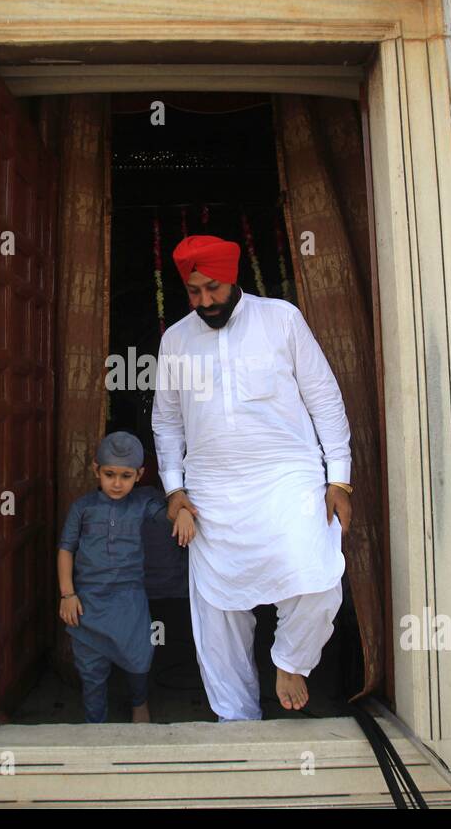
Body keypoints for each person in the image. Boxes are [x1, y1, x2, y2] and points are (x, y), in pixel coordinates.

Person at [151, 234, 354, 721]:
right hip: (212, 490)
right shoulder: (176, 339)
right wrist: (174, 491)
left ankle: (290, 661)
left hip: (288, 478)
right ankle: (236, 720)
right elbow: (167, 421)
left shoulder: (281, 318)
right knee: (217, 614)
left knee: (319, 579)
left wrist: (339, 479)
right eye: (194, 293)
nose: (205, 302)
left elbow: (323, 397)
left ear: (233, 276)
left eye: (213, 289)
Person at [57, 430, 197, 723]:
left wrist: (182, 512)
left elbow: (167, 512)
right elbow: (66, 549)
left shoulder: (143, 503)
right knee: (90, 669)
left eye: (126, 475)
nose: (117, 483)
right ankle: (95, 722)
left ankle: (139, 702)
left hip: (129, 601)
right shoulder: (83, 508)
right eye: (109, 474)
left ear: (139, 474)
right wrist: (68, 595)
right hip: (87, 602)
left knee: (138, 658)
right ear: (96, 469)